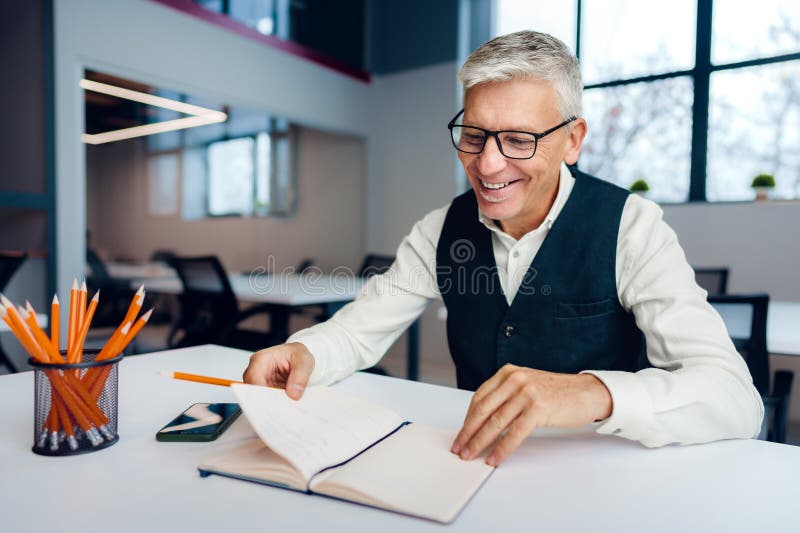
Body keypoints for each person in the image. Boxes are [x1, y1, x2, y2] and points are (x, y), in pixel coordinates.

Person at [244, 30, 763, 466]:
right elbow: (357, 333)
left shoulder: (632, 226)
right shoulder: (438, 229)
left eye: (518, 140)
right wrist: (304, 351)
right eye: (473, 135)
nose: (488, 165)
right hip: (471, 467)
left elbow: (735, 398)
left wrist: (592, 392)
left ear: (573, 140)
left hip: (602, 473)